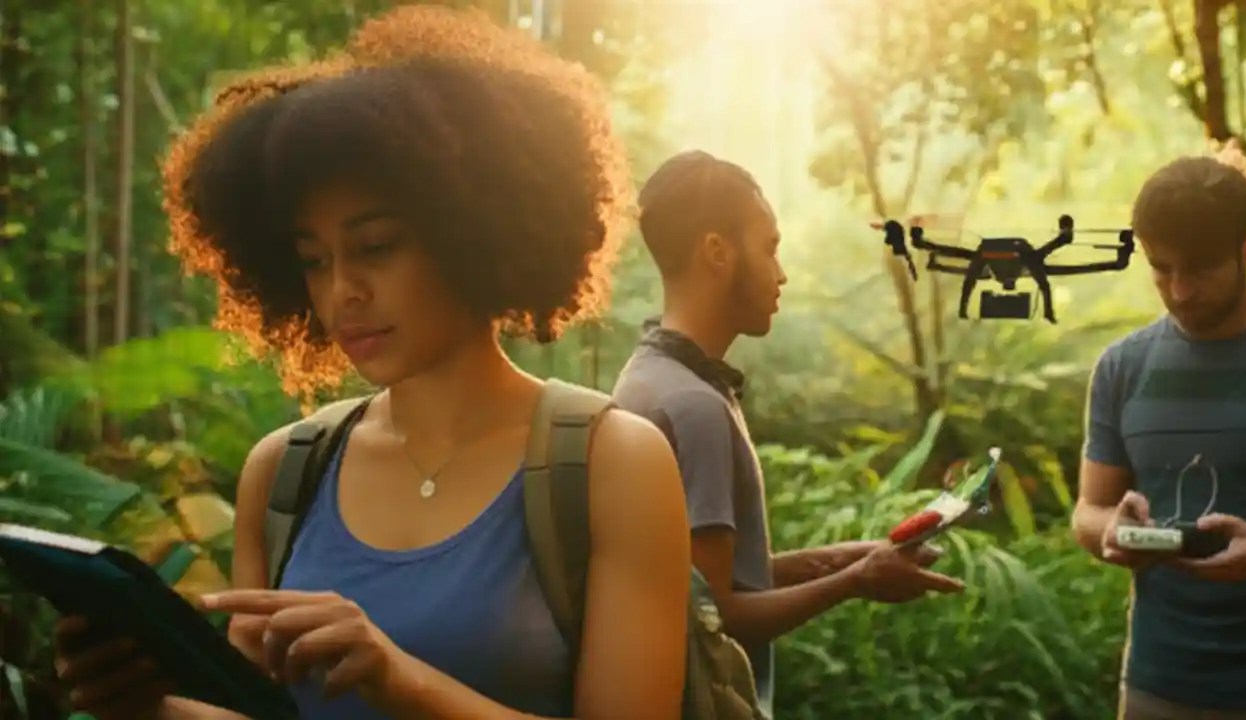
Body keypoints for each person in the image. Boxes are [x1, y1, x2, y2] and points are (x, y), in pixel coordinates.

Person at [51, 6, 691, 719]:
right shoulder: (288, 471)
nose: (341, 292)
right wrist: (148, 707)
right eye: (313, 261)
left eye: (377, 246)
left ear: (473, 232)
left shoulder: (612, 466)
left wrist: (401, 680)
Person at [610, 150, 967, 716]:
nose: (781, 273)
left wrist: (839, 559)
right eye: (770, 249)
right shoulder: (694, 407)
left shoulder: (646, 378)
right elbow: (715, 615)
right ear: (717, 253)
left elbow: (695, 582)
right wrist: (856, 582)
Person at [1071, 143, 1246, 719]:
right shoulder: (1122, 367)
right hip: (1157, 687)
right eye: (1161, 269)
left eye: (1201, 268)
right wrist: (1109, 531)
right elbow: (1089, 510)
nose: (1180, 290)